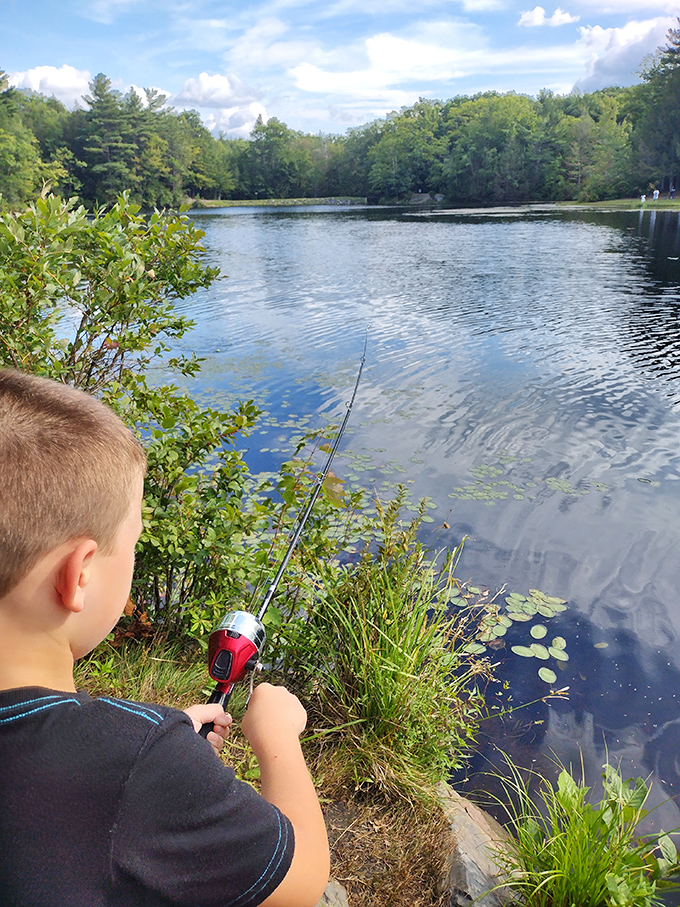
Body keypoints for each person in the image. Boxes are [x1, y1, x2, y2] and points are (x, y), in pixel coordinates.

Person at [0, 369, 330, 907]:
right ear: (78, 574)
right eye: (129, 543)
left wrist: (155, 741)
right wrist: (278, 739)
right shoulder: (143, 763)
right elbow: (303, 880)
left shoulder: (141, 755)